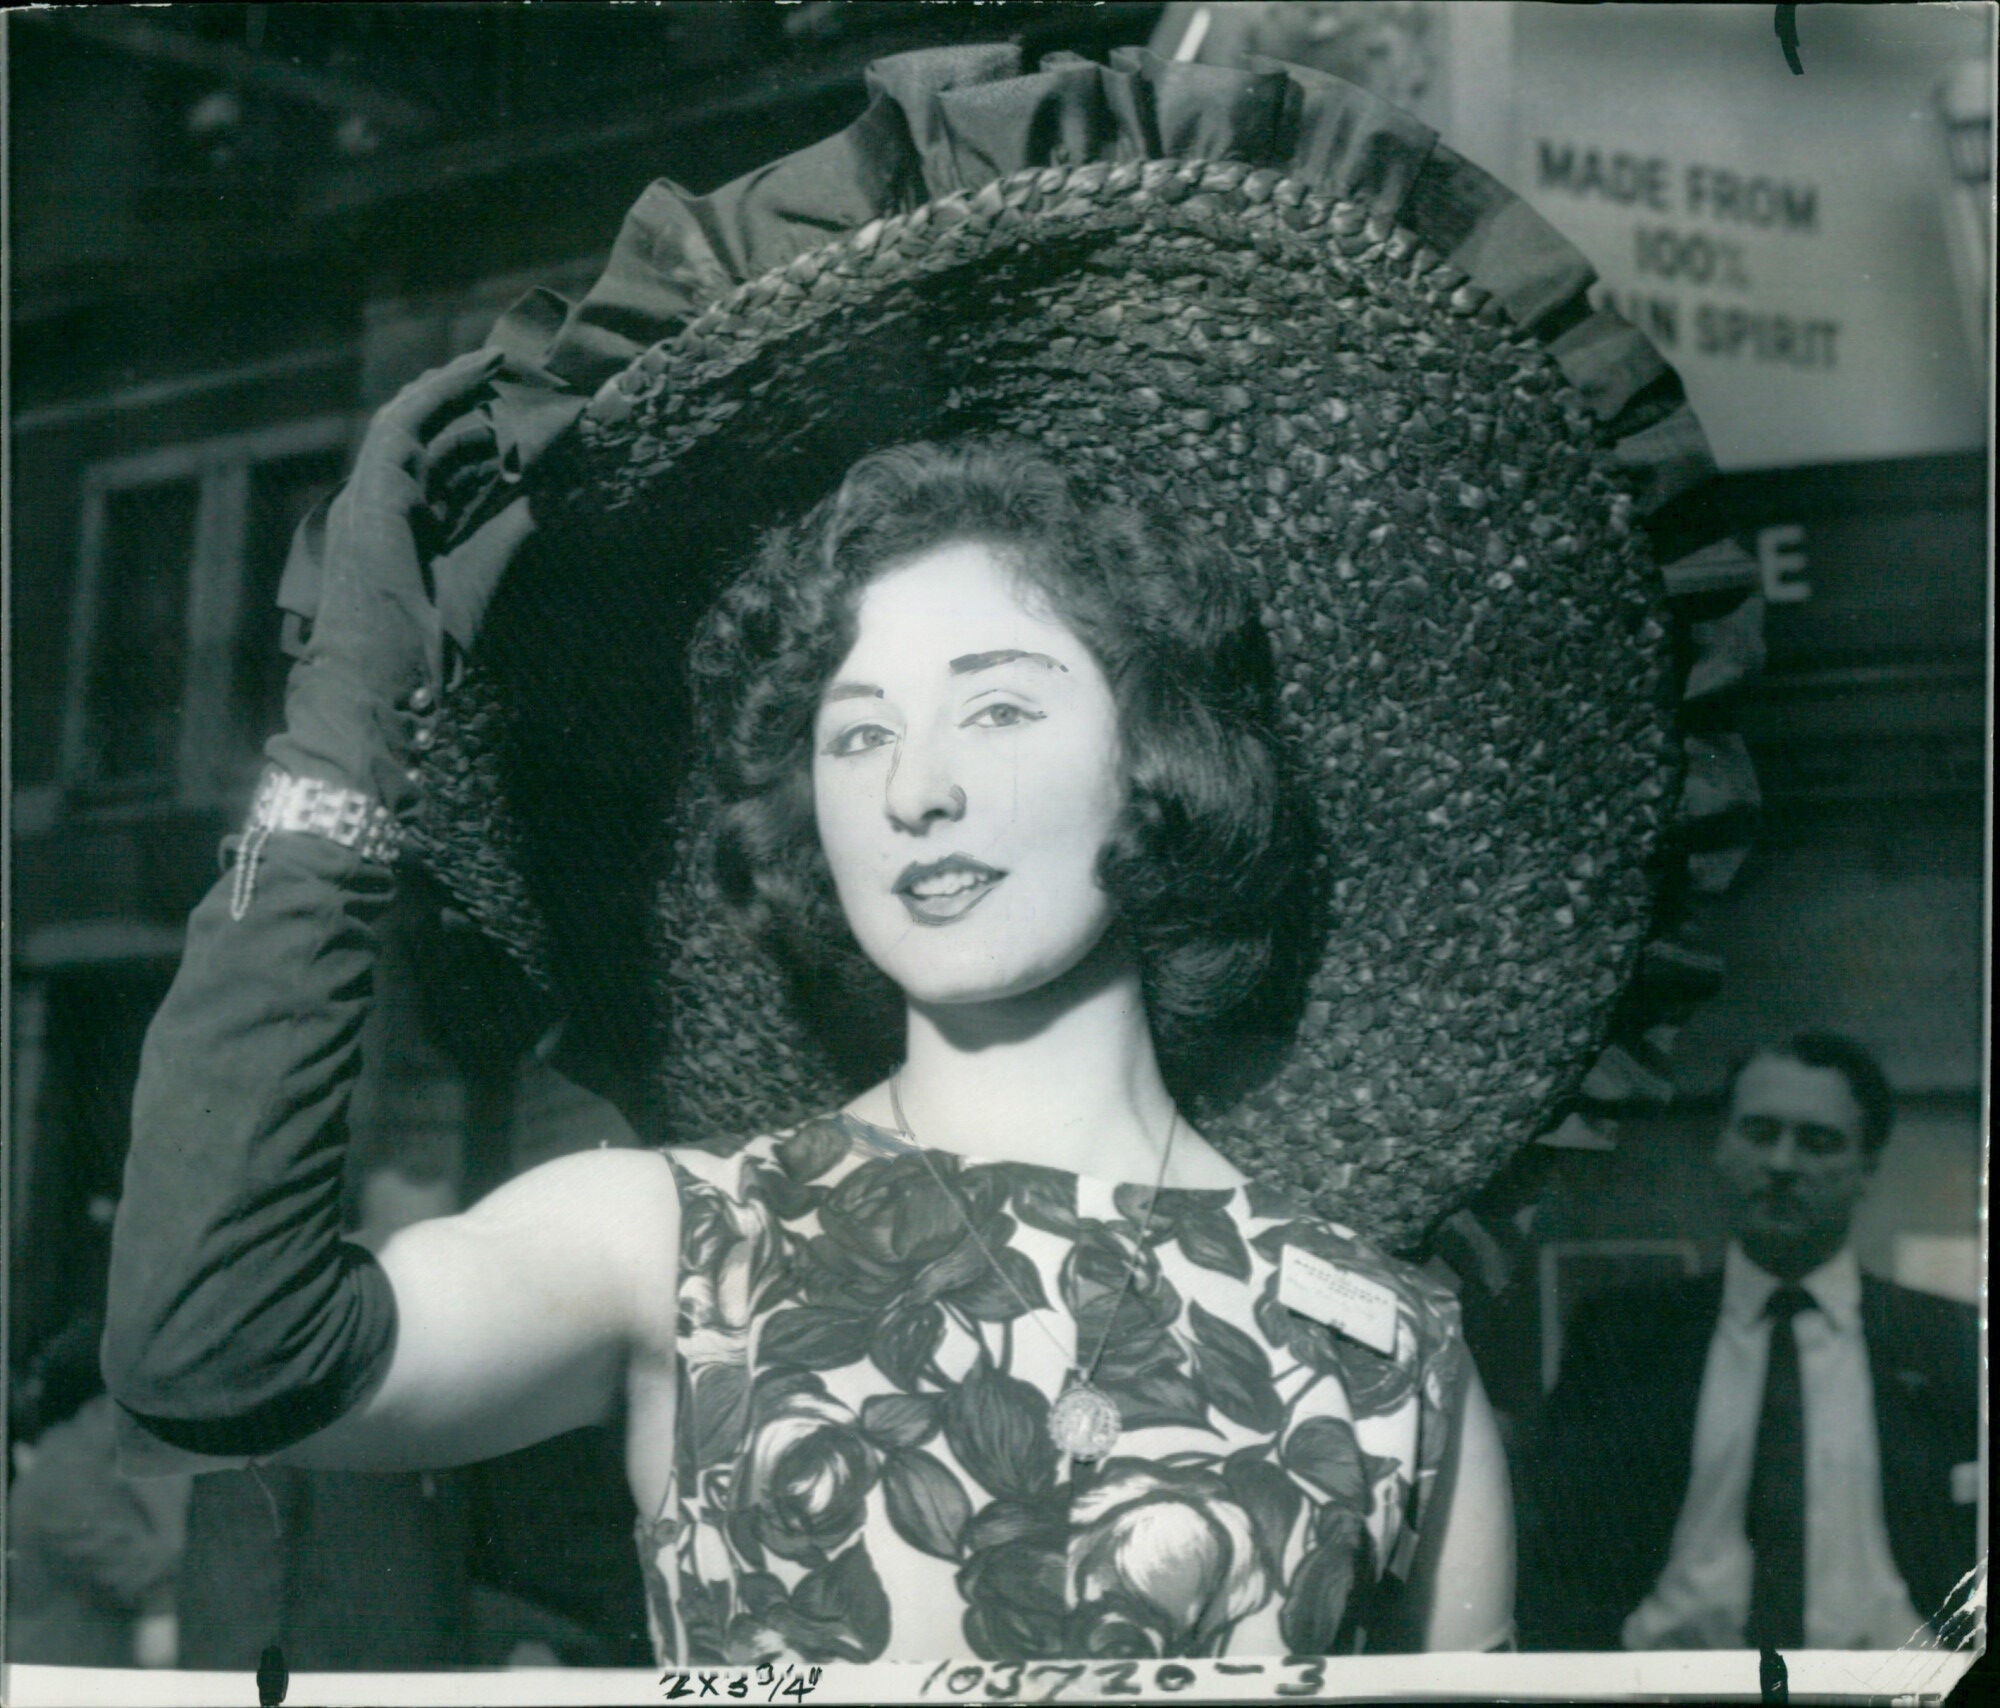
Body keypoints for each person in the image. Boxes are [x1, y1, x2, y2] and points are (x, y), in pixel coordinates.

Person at [104, 41, 1726, 1671]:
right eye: (857, 732)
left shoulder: (1386, 1347)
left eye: (1000, 710)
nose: (918, 792)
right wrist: (340, 728)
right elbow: (210, 1351)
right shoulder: (672, 1240)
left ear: (1161, 759)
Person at [1518, 1032, 1981, 1651]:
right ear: (1721, 1144)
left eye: (1818, 1141)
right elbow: (1559, 1556)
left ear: (1867, 1166)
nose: (1783, 1164)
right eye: (1760, 1132)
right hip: (1665, 1687)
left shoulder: (1951, 1344)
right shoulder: (1623, 1338)